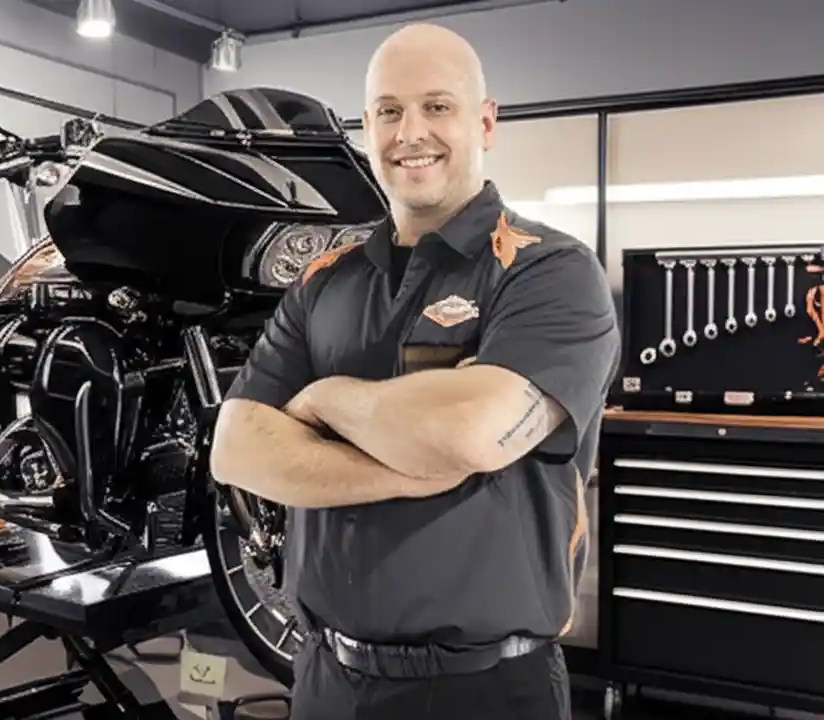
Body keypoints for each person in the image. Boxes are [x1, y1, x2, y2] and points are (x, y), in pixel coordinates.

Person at [209, 22, 621, 720]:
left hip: (488, 690)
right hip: (326, 680)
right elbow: (237, 447)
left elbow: (470, 431)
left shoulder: (550, 271)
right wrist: (418, 464)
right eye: (390, 111)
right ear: (366, 127)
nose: (411, 132)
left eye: (438, 106)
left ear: (485, 122)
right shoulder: (323, 282)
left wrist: (328, 398)